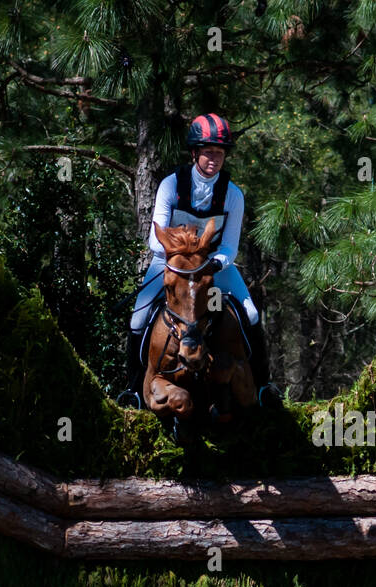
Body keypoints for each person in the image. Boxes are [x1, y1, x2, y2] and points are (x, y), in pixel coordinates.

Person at [117, 113, 278, 409]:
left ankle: (263, 386)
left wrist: (212, 265)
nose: (214, 159)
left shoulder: (233, 195)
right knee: (138, 317)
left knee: (251, 314)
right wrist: (180, 259)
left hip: (212, 268)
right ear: (194, 153)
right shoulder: (170, 186)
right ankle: (133, 390)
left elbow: (229, 248)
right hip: (171, 264)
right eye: (208, 152)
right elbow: (155, 240)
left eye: (219, 153)